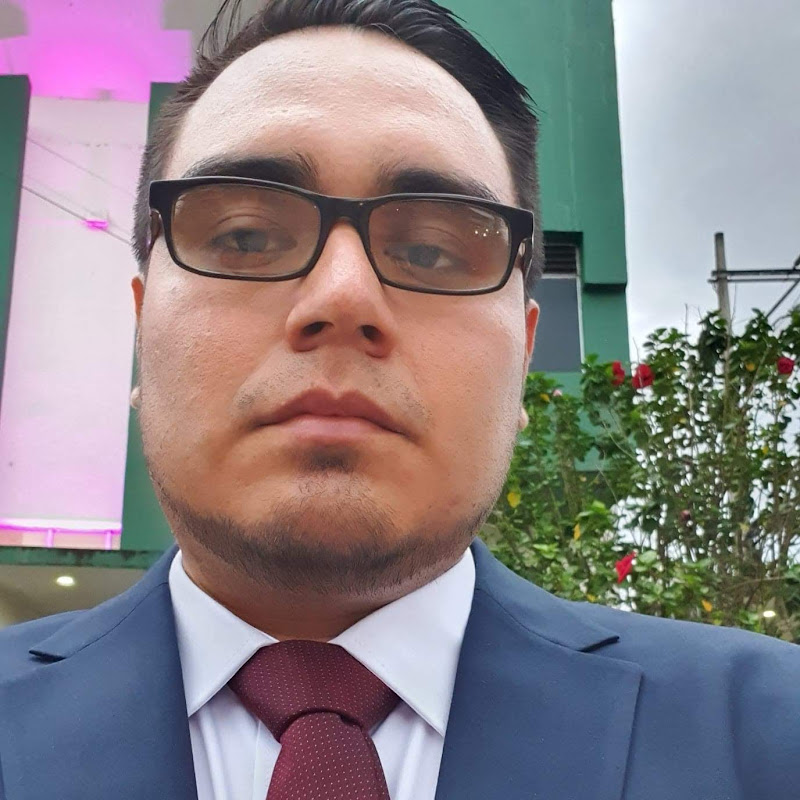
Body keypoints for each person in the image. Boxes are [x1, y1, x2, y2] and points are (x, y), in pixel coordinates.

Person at [1, 0, 798, 797]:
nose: (343, 296)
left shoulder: (766, 738)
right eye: (245, 236)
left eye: (430, 250)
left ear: (524, 355)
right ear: (142, 328)